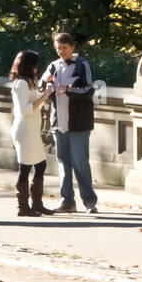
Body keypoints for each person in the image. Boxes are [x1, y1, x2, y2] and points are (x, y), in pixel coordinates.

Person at [41, 31, 97, 214]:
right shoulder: (53, 66)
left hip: (78, 122)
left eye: (64, 48)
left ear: (72, 47)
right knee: (63, 161)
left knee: (80, 162)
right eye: (58, 48)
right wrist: (46, 85)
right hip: (58, 121)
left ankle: (89, 201)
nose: (61, 51)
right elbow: (41, 85)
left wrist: (68, 89)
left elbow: (89, 90)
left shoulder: (82, 64)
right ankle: (67, 200)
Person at [9, 50, 55, 217]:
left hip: (31, 131)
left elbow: (34, 101)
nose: (37, 68)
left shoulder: (29, 82)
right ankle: (23, 206)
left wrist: (44, 89)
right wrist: (45, 95)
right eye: (35, 65)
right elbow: (24, 110)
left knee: (40, 165)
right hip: (24, 130)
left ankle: (36, 203)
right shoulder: (21, 84)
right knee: (25, 167)